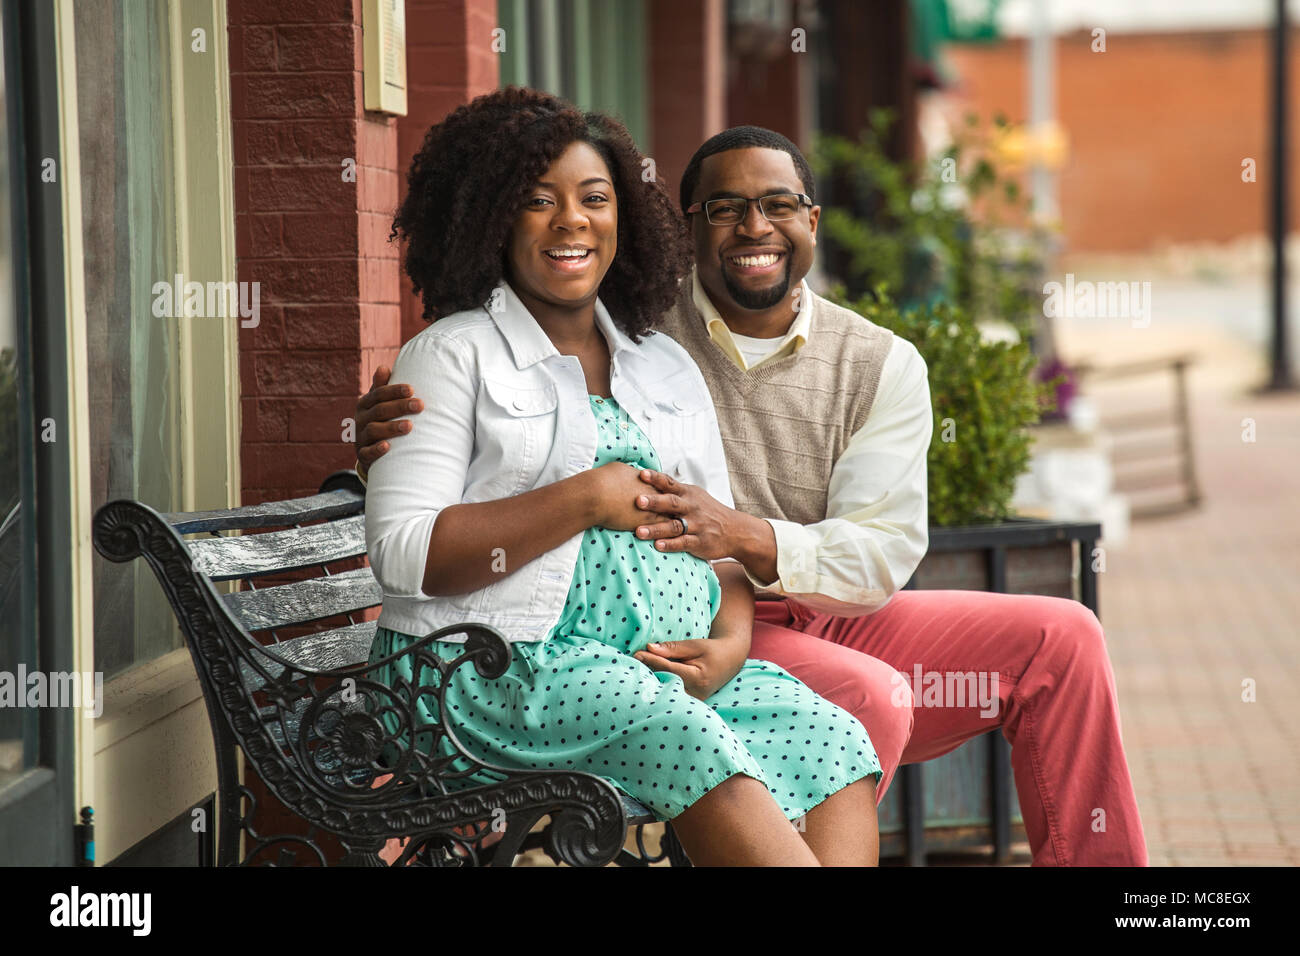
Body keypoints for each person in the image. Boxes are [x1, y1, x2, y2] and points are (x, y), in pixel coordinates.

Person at [358, 121, 1149, 867]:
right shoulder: (644, 325)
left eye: (778, 206)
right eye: (725, 209)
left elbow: (878, 556)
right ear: (686, 228)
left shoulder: (864, 361)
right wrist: (373, 445)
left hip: (791, 603)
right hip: (595, 645)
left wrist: (743, 545)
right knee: (866, 698)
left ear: (812, 220)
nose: (755, 229)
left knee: (1061, 638)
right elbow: (461, 485)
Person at [363, 88, 881, 866]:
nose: (571, 220)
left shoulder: (660, 363)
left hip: (650, 672)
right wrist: (586, 497)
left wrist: (730, 644)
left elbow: (717, 542)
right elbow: (405, 555)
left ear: (624, 219)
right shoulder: (453, 355)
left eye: (594, 199)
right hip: (495, 670)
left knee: (830, 739)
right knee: (692, 744)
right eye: (538, 200)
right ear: (492, 219)